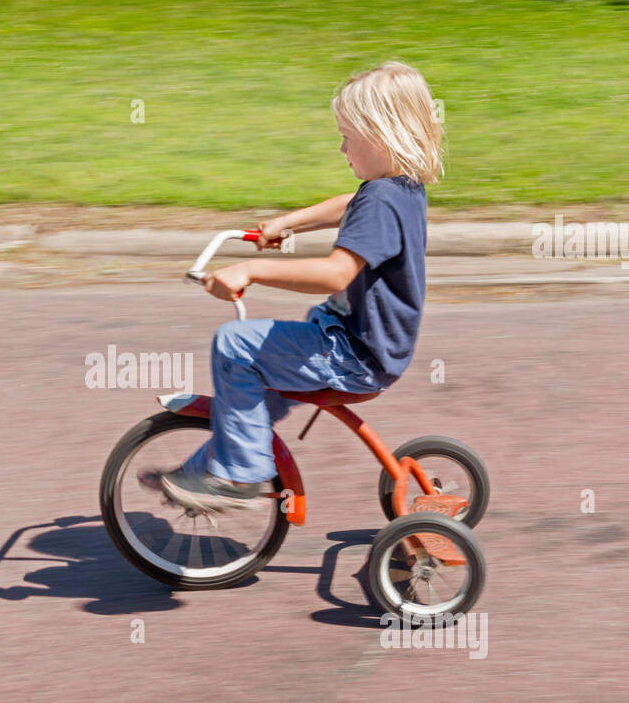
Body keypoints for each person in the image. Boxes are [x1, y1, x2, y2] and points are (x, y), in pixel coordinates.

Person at [148, 61, 444, 512]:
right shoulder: (400, 186)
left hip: (353, 355)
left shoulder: (383, 199)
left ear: (381, 137)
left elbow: (335, 275)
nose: (342, 148)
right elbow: (350, 204)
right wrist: (290, 223)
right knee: (255, 376)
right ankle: (209, 472)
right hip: (360, 342)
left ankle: (239, 478)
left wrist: (250, 272)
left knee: (234, 344)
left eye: (348, 136)